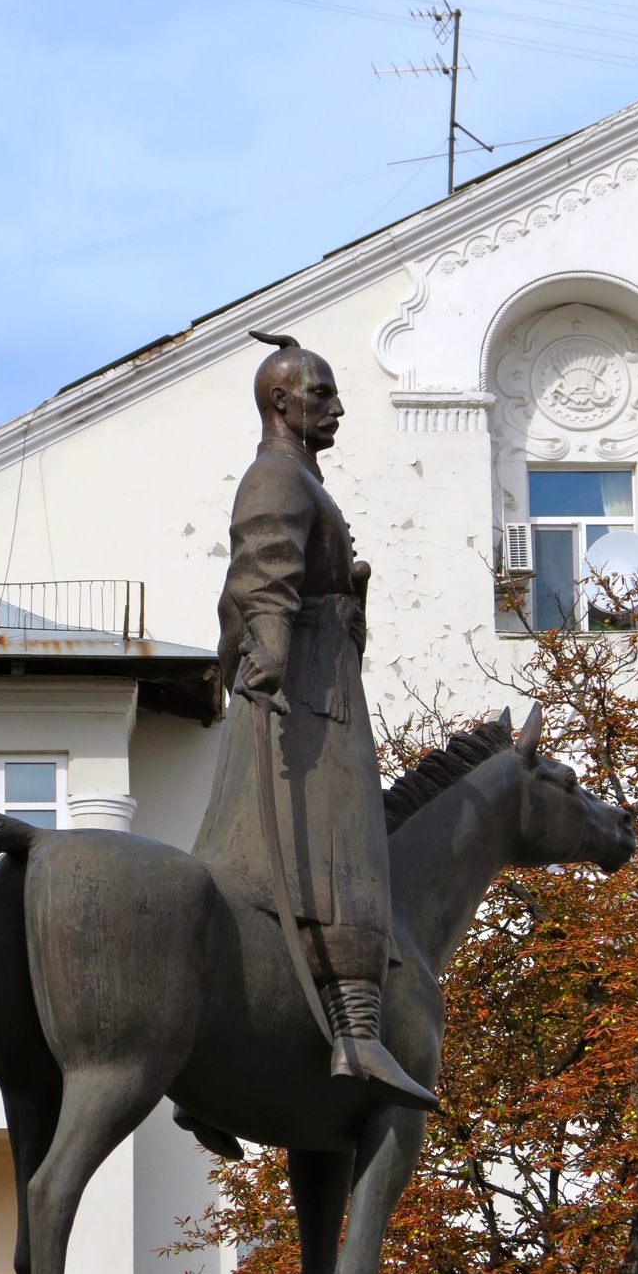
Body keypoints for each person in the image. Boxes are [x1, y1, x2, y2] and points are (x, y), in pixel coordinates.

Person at [192, 330, 435, 1109]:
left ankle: (202, 1072)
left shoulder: (300, 477)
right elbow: (262, 566)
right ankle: (358, 1032)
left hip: (308, 683)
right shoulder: (277, 477)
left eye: (332, 392)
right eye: (321, 393)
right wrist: (266, 643)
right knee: (345, 847)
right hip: (306, 699)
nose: (336, 407)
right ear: (280, 401)